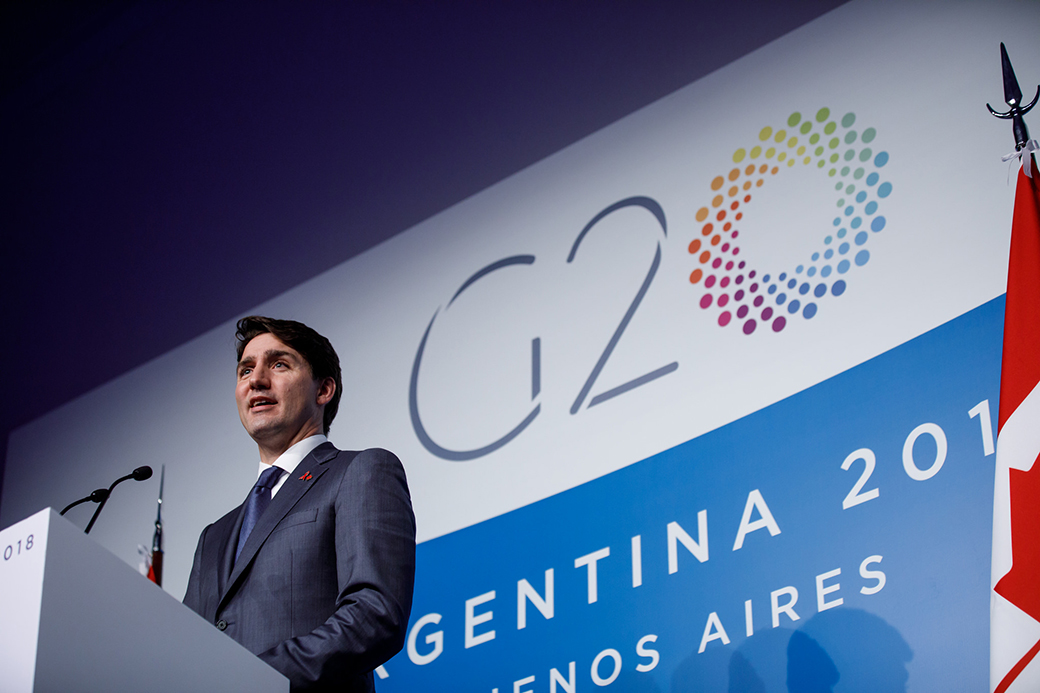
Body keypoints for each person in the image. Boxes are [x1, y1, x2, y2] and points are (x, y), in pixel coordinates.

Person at [183, 316, 415, 692]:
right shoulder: (214, 536)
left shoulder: (360, 470)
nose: (256, 380)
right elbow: (184, 654)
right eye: (245, 370)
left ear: (323, 390)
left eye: (278, 364)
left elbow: (375, 614)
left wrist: (253, 679)